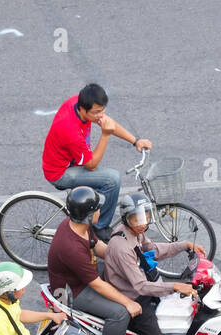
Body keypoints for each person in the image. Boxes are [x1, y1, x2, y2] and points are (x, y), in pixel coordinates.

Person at [102, 194, 208, 335]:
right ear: (126, 218)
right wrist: (175, 286)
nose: (142, 221)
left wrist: (185, 245)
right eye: (136, 217)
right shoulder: (121, 246)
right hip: (134, 299)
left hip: (146, 288)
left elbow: (155, 250)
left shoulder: (135, 233)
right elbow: (140, 286)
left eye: (145, 216)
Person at [41, 83, 151, 242]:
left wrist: (136, 141)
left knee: (102, 187)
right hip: (60, 172)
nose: (101, 116)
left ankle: (92, 215)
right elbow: (91, 165)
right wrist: (105, 135)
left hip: (72, 160)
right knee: (112, 179)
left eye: (102, 110)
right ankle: (99, 227)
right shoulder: (70, 130)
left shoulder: (79, 103)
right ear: (83, 110)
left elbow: (108, 123)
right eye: (96, 112)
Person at [47, 186, 140, 335]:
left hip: (85, 277)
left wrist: (127, 258)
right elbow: (97, 284)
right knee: (120, 313)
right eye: (97, 209)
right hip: (73, 291)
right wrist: (128, 303)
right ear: (89, 216)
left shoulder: (79, 225)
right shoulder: (71, 248)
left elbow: (98, 246)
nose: (100, 211)